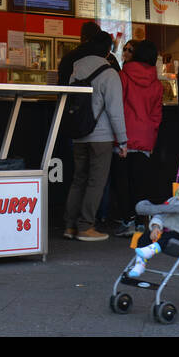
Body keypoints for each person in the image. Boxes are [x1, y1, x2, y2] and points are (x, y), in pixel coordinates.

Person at [63, 30, 126, 242]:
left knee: (78, 179)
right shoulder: (110, 74)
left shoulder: (76, 70)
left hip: (79, 133)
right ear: (108, 50)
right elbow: (115, 111)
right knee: (96, 181)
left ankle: (70, 225)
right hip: (101, 136)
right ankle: (85, 226)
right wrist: (123, 140)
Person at [112, 40, 164, 236]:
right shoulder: (156, 83)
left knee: (122, 181)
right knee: (140, 182)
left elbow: (117, 106)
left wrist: (118, 135)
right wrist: (151, 136)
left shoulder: (122, 76)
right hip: (145, 137)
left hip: (123, 136)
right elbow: (156, 115)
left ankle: (127, 221)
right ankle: (141, 223)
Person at [57, 20, 104, 86]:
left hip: (69, 95)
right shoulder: (101, 59)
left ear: (82, 36)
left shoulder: (67, 58)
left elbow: (61, 83)